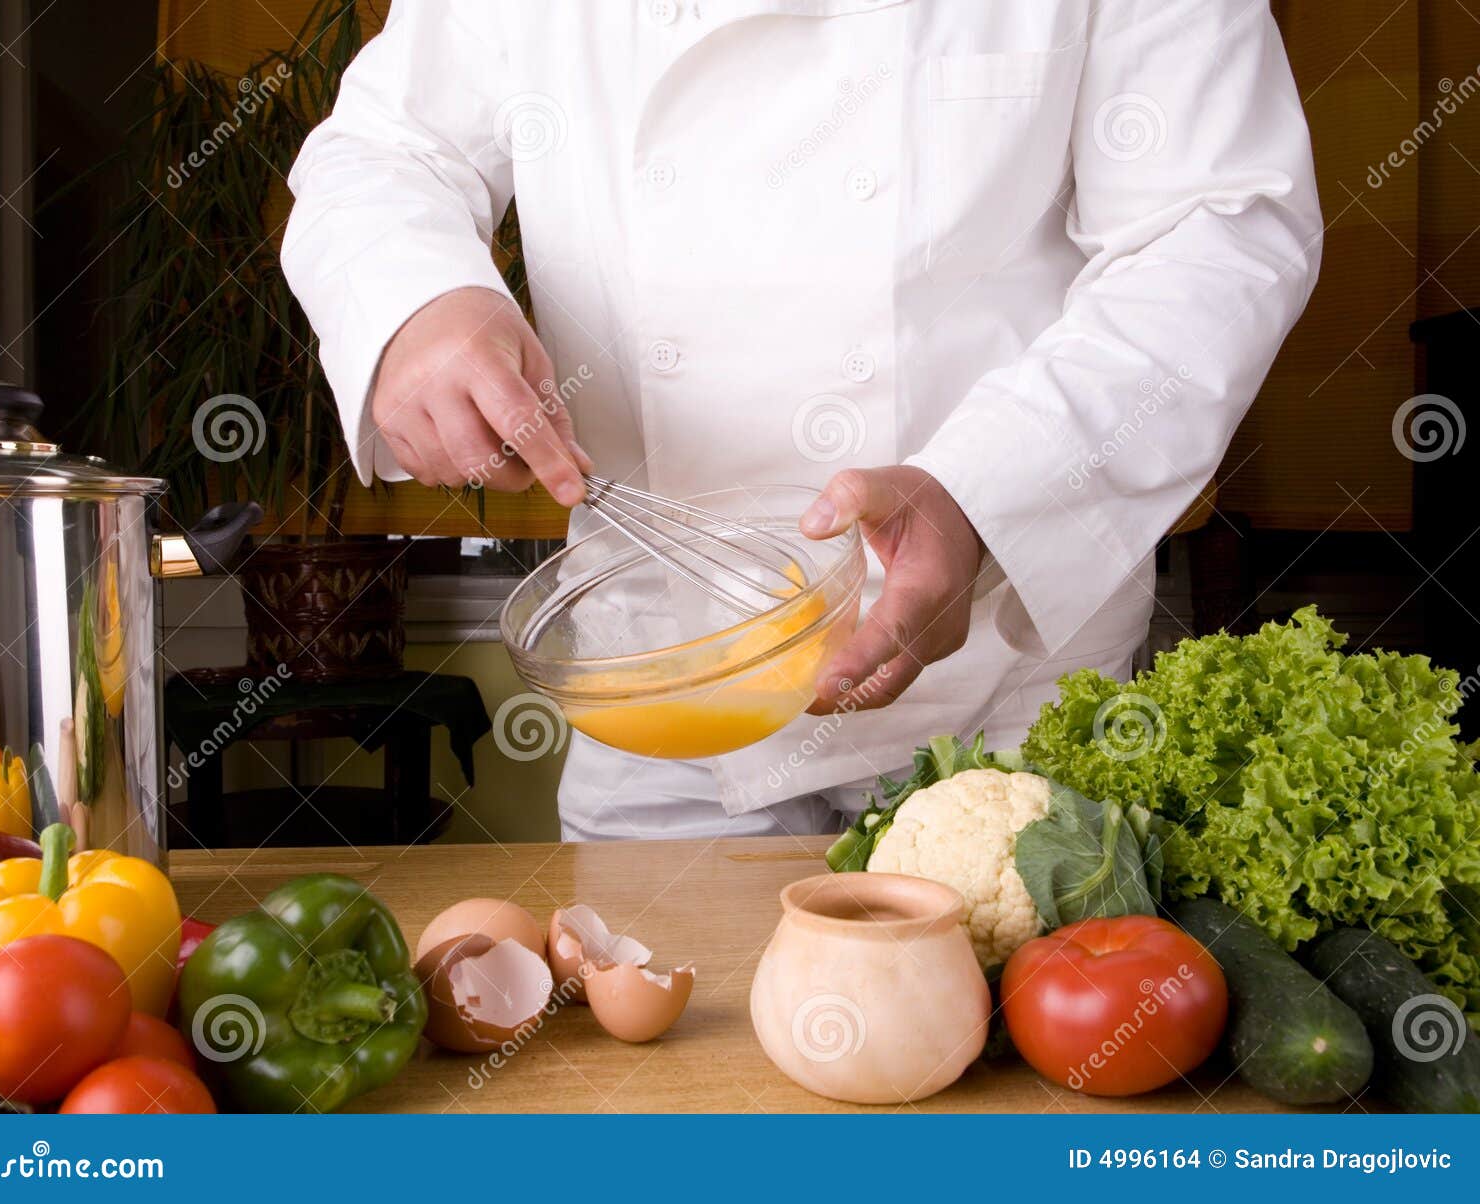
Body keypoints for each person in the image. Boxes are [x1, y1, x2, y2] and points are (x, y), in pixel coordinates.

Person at [281, 0, 1322, 841]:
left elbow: (1219, 224)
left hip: (1007, 694)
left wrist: (987, 494)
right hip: (671, 690)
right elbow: (384, 150)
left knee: (1012, 1090)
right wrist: (415, 305)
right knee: (672, 1081)